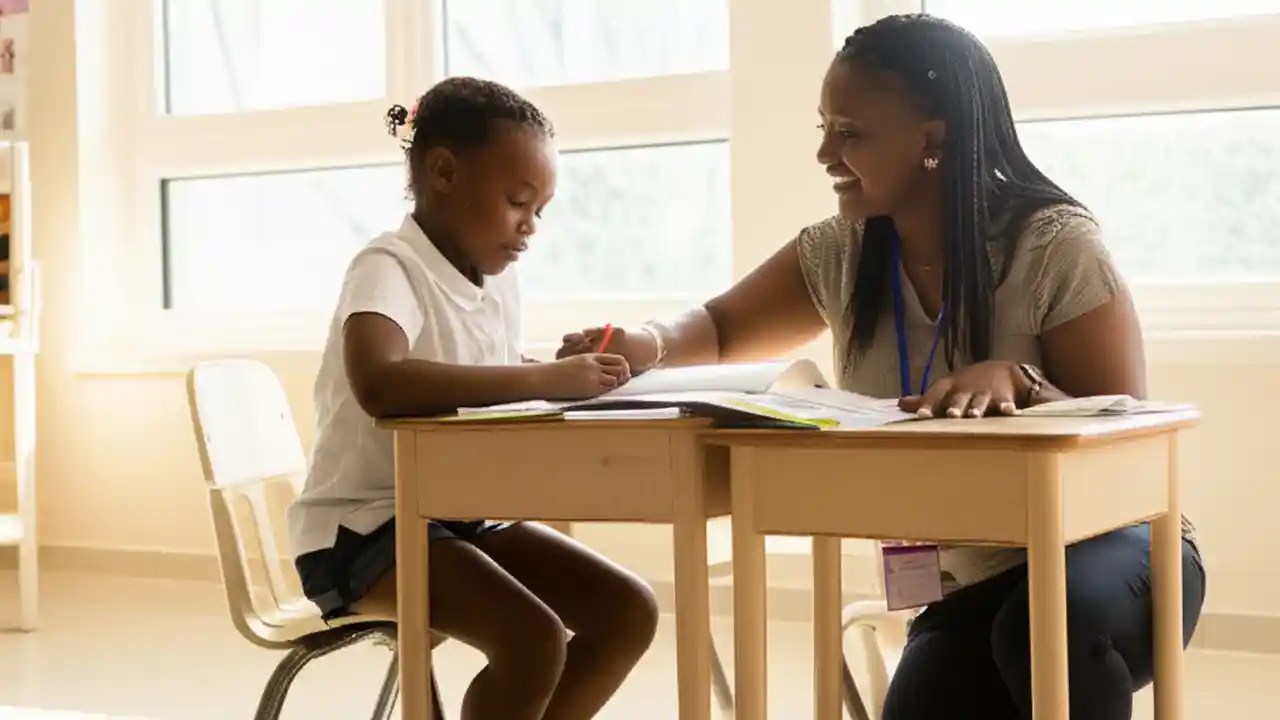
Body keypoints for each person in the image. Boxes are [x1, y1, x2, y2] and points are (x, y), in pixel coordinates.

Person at [559, 14, 1205, 720]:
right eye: (824, 130)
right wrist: (643, 342)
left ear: (931, 140)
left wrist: (1023, 383)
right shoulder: (840, 252)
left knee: (1039, 632)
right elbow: (717, 328)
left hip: (1114, 555)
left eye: (851, 132)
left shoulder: (1051, 245)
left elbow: (1126, 436)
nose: (826, 154)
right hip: (969, 584)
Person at [288, 77, 659, 720]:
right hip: (364, 530)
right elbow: (381, 383)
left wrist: (551, 368)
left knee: (627, 611)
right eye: (518, 201)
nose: (530, 227)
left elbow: (477, 374)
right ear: (443, 172)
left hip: (457, 515)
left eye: (541, 210)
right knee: (532, 639)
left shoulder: (494, 281)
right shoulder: (389, 265)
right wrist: (541, 380)